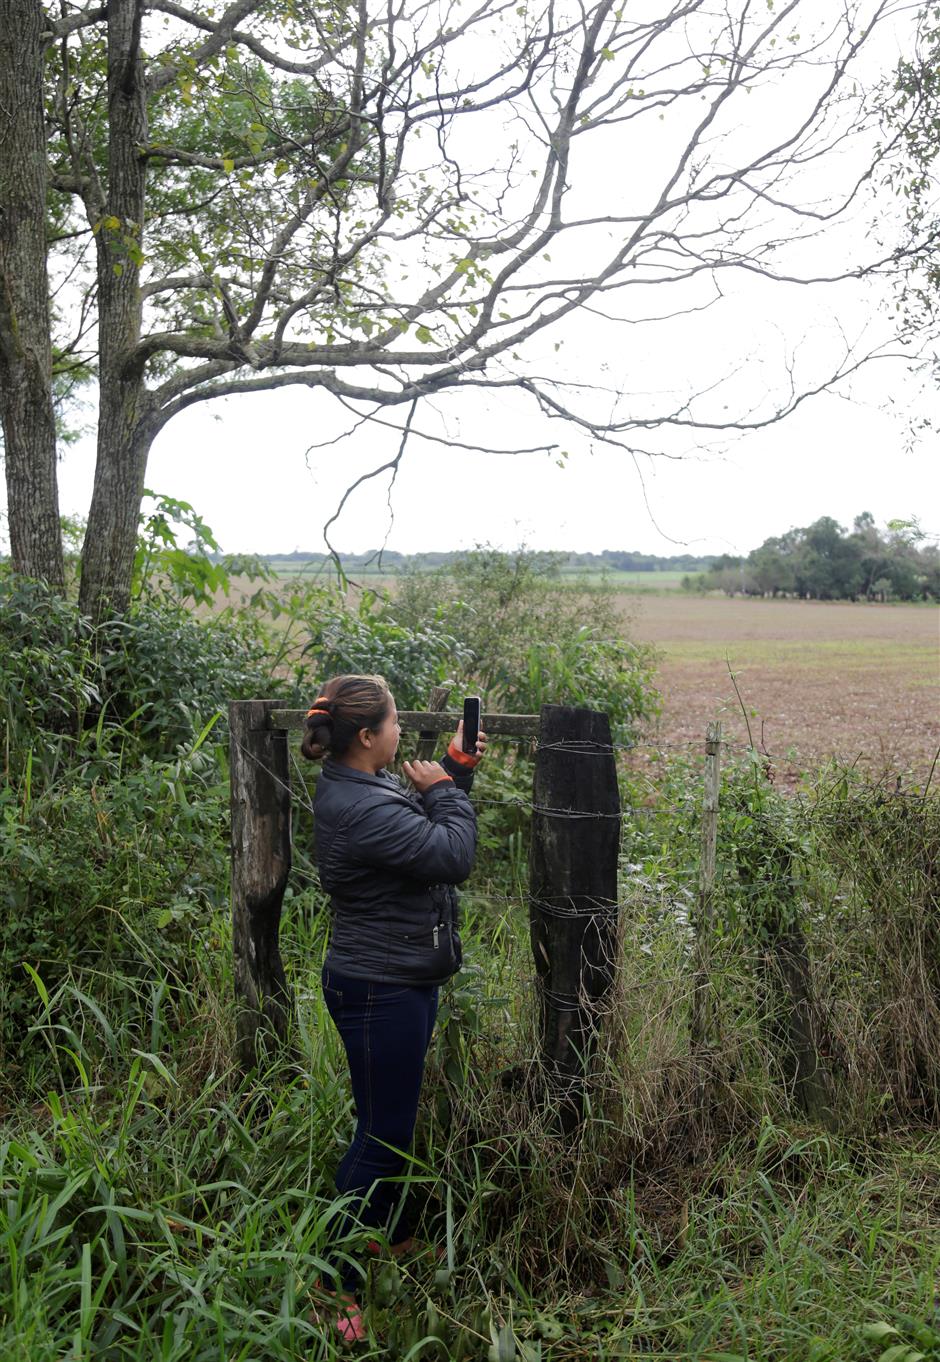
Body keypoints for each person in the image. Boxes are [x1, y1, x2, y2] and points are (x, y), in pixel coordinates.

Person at [301, 673, 485, 1343]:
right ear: (367, 736)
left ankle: (389, 1234)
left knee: (390, 1126)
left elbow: (415, 839)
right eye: (395, 721)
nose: (402, 730)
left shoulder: (361, 787)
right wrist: (444, 792)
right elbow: (451, 855)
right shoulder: (362, 806)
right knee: (380, 1137)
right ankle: (334, 1281)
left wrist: (453, 771)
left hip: (391, 977)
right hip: (380, 988)